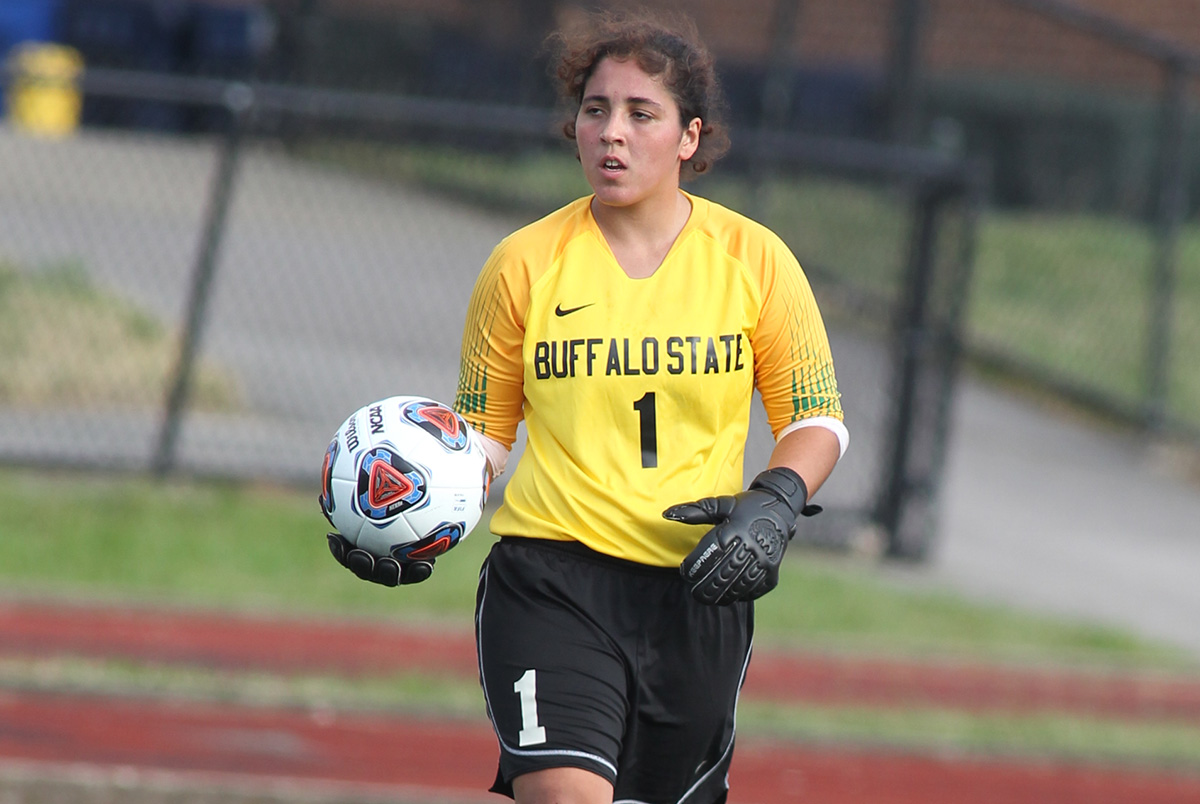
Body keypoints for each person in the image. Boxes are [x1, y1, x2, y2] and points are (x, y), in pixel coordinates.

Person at [328, 8, 847, 803]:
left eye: (642, 114)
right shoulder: (523, 264)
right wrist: (417, 510)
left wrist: (774, 503)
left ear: (689, 136)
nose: (612, 133)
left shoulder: (756, 260)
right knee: (566, 794)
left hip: (698, 590)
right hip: (550, 578)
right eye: (596, 110)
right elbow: (487, 438)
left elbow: (816, 417)